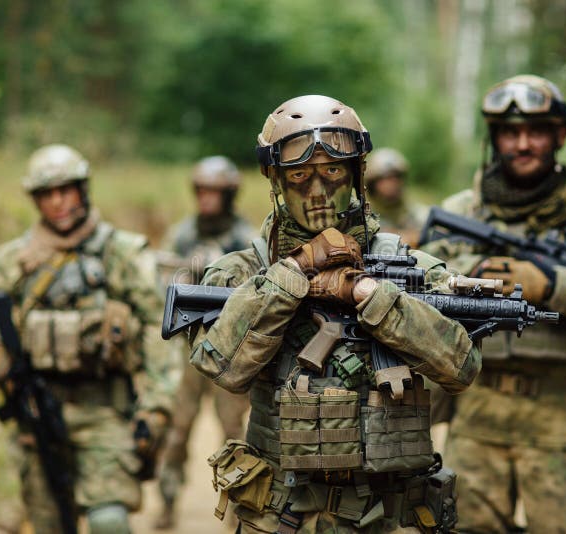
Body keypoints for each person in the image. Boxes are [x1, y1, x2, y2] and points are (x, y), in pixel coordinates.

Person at [187, 94, 481, 533]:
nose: (318, 192)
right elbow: (222, 365)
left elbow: (461, 366)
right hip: (282, 510)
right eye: (300, 176)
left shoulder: (407, 268)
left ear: (357, 175)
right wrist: (298, 271)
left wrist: (369, 294)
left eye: (333, 172)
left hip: (386, 511)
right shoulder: (244, 271)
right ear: (277, 182)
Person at [422, 75, 566, 532]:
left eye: (536, 131)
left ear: (560, 135)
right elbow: (419, 298)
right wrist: (475, 280)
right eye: (509, 132)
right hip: (477, 416)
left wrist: (551, 284)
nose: (522, 143)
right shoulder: (460, 211)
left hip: (564, 422)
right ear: (494, 138)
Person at [0, 144, 175, 534]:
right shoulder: (16, 258)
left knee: (109, 521)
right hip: (38, 413)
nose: (57, 202)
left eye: (66, 190)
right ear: (35, 200)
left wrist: (157, 405)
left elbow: (158, 327)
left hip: (106, 412)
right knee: (49, 523)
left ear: (83, 189)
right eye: (46, 194)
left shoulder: (121, 252)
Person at [154, 155, 254, 530]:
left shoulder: (244, 238)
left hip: (228, 352)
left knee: (234, 430)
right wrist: (183, 275)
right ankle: (167, 500)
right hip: (188, 351)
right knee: (177, 430)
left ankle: (242, 505)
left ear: (229, 195)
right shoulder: (182, 235)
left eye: (215, 192)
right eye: (202, 191)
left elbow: (258, 292)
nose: (207, 199)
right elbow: (160, 286)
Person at [363, 147, 426, 246]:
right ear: (372, 184)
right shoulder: (363, 217)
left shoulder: (419, 214)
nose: (391, 184)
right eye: (384, 179)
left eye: (395, 177)